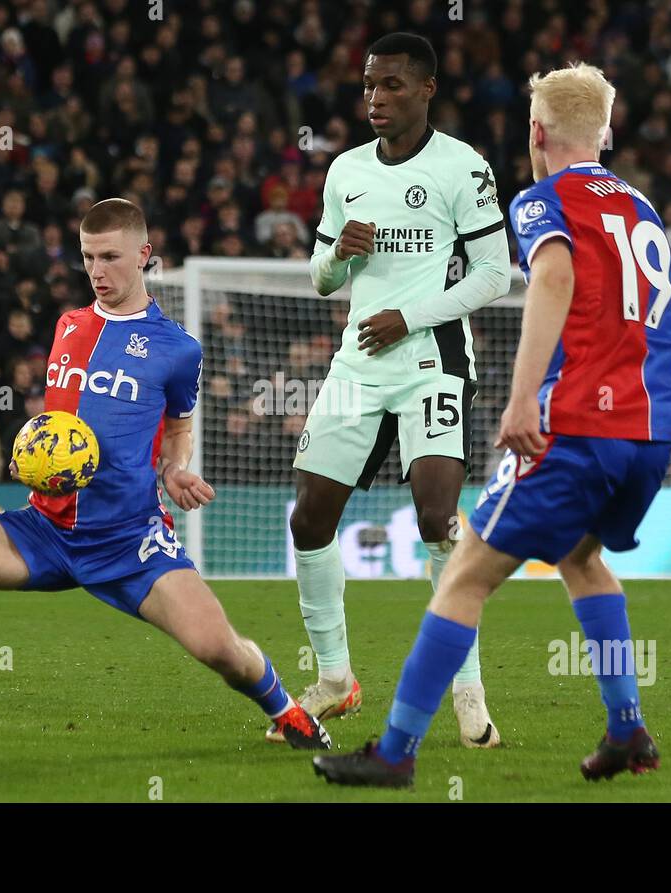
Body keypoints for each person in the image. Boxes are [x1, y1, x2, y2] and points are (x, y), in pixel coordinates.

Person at [0, 199, 331, 751]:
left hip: (129, 540)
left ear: (144, 255)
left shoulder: (178, 349)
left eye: (111, 257)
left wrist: (174, 467)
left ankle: (286, 710)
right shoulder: (68, 325)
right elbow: (59, 423)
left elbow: (178, 426)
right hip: (43, 530)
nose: (98, 271)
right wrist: (33, 455)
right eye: (88, 257)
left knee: (220, 650)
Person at [313, 62, 671, 787]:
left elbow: (551, 278)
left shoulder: (544, 199)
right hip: (649, 429)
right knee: (581, 558)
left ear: (537, 132)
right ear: (605, 133)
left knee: (463, 574)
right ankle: (627, 726)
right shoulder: (642, 207)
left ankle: (394, 752)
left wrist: (521, 402)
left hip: (575, 425)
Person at [285, 32, 511, 747]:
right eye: (368, 87)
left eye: (390, 86)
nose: (375, 99)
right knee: (309, 518)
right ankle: (334, 678)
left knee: (437, 518)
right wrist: (337, 257)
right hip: (359, 363)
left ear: (426, 91)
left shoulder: (463, 167)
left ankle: (467, 689)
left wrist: (408, 315)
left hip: (430, 358)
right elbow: (321, 277)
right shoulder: (346, 171)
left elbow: (495, 276)